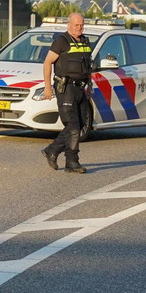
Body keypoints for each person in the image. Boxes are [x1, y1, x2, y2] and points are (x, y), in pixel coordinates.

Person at [40, 12, 95, 174]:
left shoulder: (85, 41)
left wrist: (89, 85)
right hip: (66, 88)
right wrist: (48, 87)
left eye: (82, 25)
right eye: (76, 25)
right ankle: (72, 161)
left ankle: (52, 150)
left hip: (81, 88)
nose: (80, 28)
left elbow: (87, 66)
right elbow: (47, 63)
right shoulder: (61, 42)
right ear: (69, 25)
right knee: (72, 126)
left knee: (82, 125)